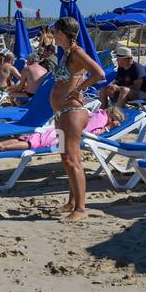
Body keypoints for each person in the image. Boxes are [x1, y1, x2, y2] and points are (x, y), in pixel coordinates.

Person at [49, 17, 106, 220]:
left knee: (72, 159)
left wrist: (78, 89)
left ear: (63, 33)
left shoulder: (77, 52)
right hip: (61, 113)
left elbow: (99, 73)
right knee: (67, 158)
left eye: (55, 32)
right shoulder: (66, 54)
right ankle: (72, 202)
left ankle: (80, 209)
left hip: (71, 113)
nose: (53, 35)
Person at [0, 107, 124, 153]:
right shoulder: (101, 119)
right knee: (33, 143)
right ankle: (2, 148)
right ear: (112, 116)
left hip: (59, 127)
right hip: (63, 135)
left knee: (28, 137)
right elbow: (92, 132)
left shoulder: (97, 113)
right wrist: (109, 127)